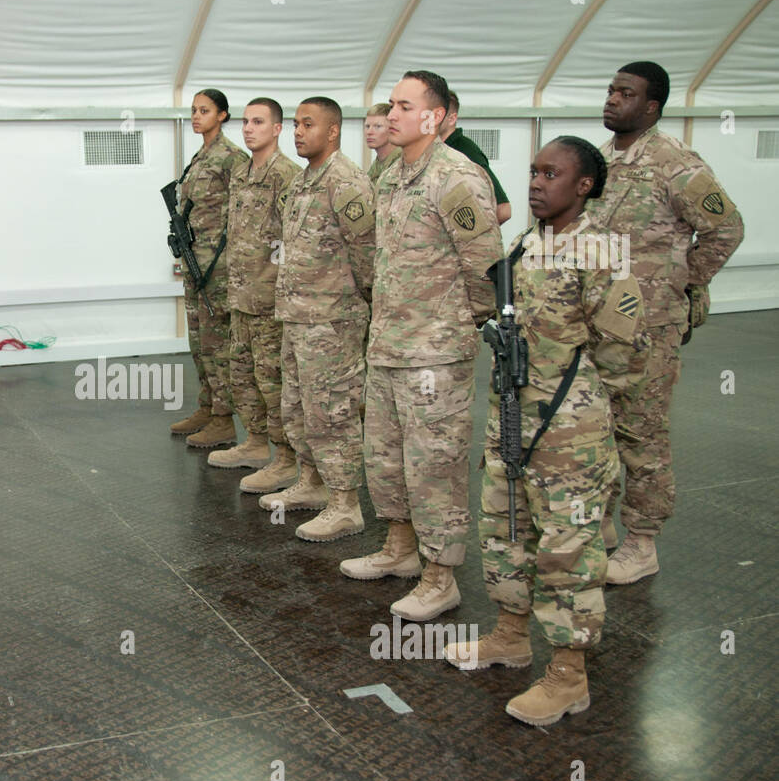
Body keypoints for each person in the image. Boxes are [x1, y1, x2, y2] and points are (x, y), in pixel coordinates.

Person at [446, 136, 645, 726]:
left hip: (569, 433)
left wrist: (580, 397)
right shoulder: (530, 242)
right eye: (533, 171)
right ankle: (510, 635)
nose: (536, 183)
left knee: (568, 551)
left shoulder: (602, 251)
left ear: (584, 185)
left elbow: (624, 353)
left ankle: (568, 675)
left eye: (551, 174)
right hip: (514, 417)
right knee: (507, 531)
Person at [341, 71, 501, 619]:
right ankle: (401, 550)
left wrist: (459, 329)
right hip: (387, 345)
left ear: (433, 117)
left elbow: (486, 269)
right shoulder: (390, 175)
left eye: (403, 107)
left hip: (435, 353)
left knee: (435, 466)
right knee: (386, 461)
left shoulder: (458, 178)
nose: (391, 116)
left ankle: (441, 577)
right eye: (390, 106)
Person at [589, 61, 744, 583]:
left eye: (625, 93)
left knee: (642, 434)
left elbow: (726, 227)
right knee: (596, 426)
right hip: (600, 324)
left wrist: (682, 283)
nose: (612, 100)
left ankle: (642, 541)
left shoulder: (674, 162)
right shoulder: (603, 158)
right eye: (611, 90)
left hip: (648, 328)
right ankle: (602, 527)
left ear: (651, 106)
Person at [256, 97, 375, 541]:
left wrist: (353, 307)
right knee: (298, 406)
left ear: (333, 131)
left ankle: (346, 504)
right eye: (297, 124)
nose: (298, 132)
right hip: (298, 317)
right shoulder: (304, 181)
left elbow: (367, 256)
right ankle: (312, 483)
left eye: (309, 124)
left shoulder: (347, 182)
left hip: (332, 321)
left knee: (333, 412)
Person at [208, 98, 302, 488]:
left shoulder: (287, 176)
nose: (248, 128)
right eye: (245, 121)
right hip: (240, 298)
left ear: (277, 128)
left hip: (269, 302)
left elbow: (295, 242)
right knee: (242, 377)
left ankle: (286, 457)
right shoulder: (243, 173)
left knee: (273, 382)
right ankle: (256, 442)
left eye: (258, 122)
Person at [168, 89, 248, 448]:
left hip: (218, 267)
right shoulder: (200, 157)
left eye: (205, 111)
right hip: (194, 262)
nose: (197, 116)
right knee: (198, 341)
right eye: (194, 110)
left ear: (223, 115)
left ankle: (224, 420)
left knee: (217, 344)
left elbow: (242, 214)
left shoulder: (231, 158)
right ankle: (207, 406)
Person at [439, 91, 512, 225]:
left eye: (438, 115)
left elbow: (503, 210)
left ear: (452, 118)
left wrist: (472, 238)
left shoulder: (465, 150)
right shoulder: (436, 151)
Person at [364, 102, 399, 186]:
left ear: (392, 129)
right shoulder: (377, 165)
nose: (369, 132)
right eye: (367, 126)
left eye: (378, 126)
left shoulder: (401, 163)